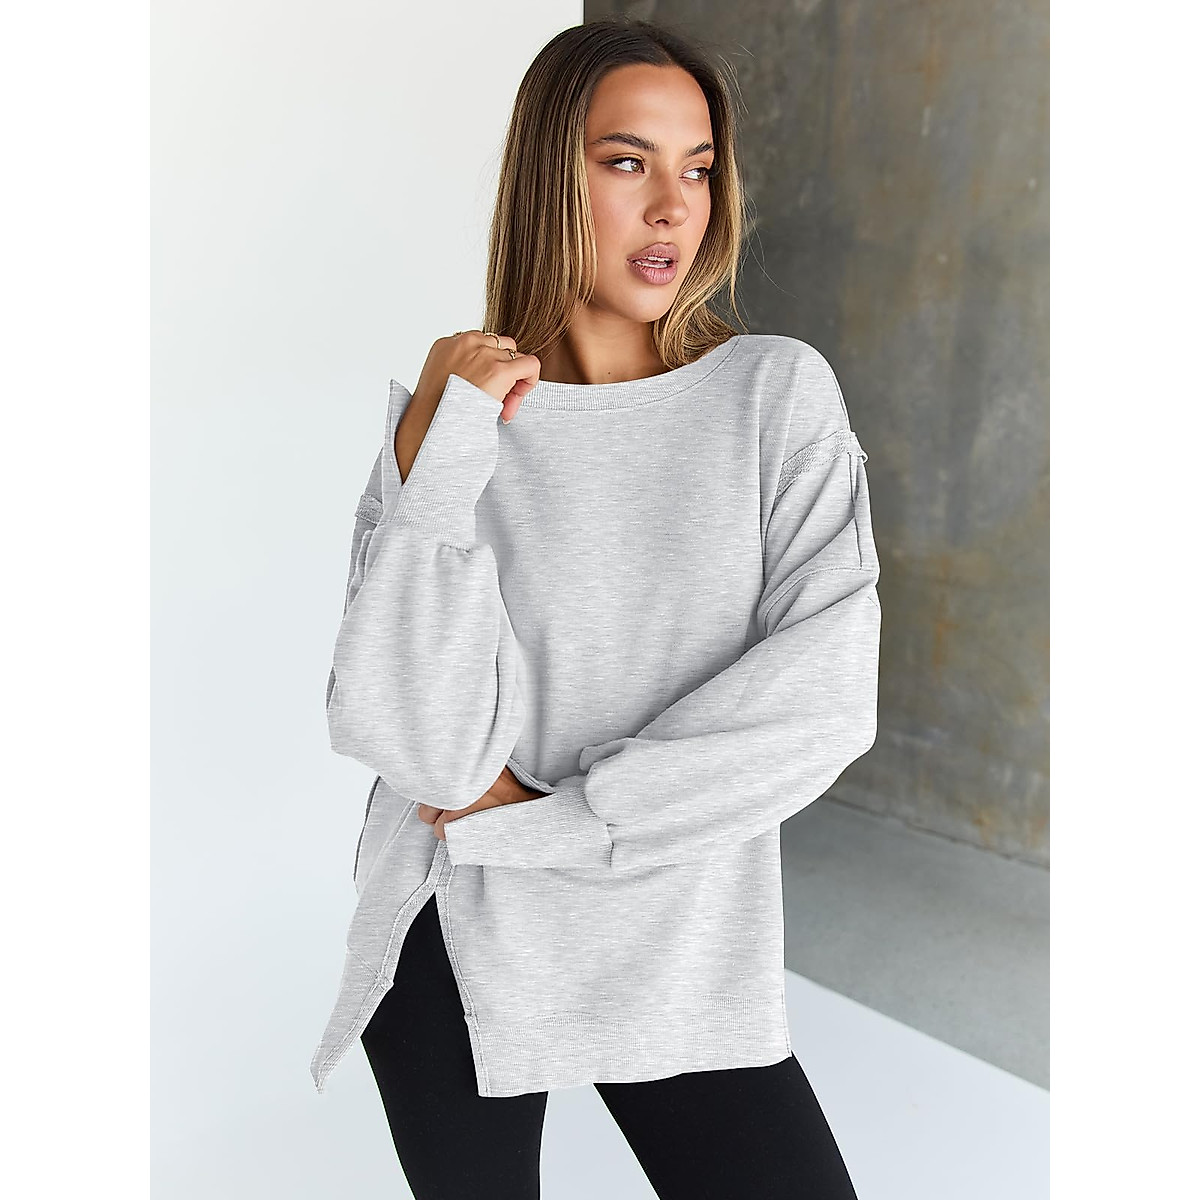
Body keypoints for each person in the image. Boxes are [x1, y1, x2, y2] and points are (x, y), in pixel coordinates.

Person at [312, 16, 879, 1199]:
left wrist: (558, 822)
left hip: (679, 936)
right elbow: (412, 741)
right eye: (628, 162)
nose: (673, 207)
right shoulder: (458, 419)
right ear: (549, 179)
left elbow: (821, 706)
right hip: (460, 933)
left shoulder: (773, 395)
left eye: (698, 168)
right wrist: (437, 459)